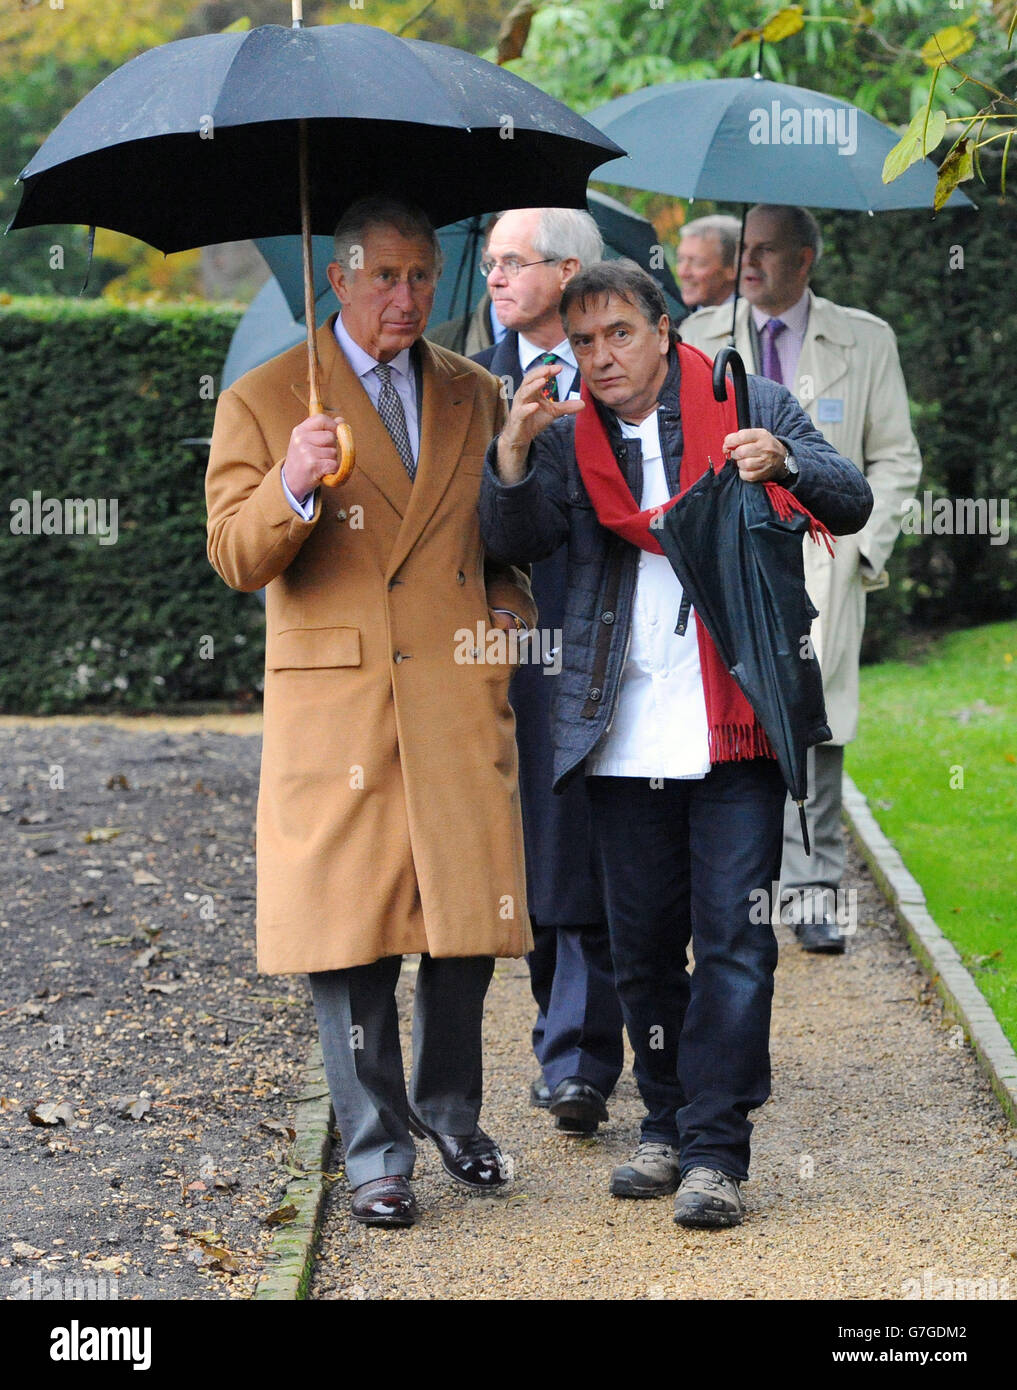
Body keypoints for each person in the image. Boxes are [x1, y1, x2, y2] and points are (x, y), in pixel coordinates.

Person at [479, 260, 872, 1228]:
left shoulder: (752, 399)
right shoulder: (572, 439)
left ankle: (715, 1151)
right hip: (620, 729)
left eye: (619, 333)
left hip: (735, 721)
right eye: (583, 342)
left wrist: (783, 462)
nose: (601, 356)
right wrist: (515, 452)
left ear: (663, 330)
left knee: (736, 942)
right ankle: (660, 1120)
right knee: (643, 948)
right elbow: (511, 538)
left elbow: (849, 497)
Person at [205, 196, 535, 1230]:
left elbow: (504, 540)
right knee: (349, 947)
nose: (407, 297)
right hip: (340, 709)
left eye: (423, 276)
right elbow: (232, 556)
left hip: (452, 694)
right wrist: (294, 485)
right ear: (337, 278)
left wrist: (509, 614)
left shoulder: (476, 393)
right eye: (385, 277)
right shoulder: (265, 400)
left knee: (463, 931)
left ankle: (451, 1111)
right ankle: (375, 1151)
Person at [681, 205, 922, 953]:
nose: (747, 264)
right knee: (731, 715)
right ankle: (735, 888)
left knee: (818, 724)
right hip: (732, 554)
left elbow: (895, 458)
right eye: (744, 250)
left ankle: (813, 888)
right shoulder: (695, 338)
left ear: (805, 261)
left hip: (824, 554)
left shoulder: (865, 340)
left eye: (766, 252)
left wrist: (864, 554)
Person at [471, 208, 625, 1138]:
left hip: (611, 632)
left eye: (512, 262)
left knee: (599, 842)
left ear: (568, 269)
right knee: (536, 845)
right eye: (488, 263)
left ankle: (578, 1055)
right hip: (506, 643)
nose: (494, 277)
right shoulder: (460, 376)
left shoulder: (623, 364)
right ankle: (558, 1027)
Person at [676, 214, 741, 311]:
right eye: (680, 260)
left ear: (733, 268)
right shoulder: (673, 321)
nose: (683, 273)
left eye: (697, 262)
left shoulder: (755, 321)